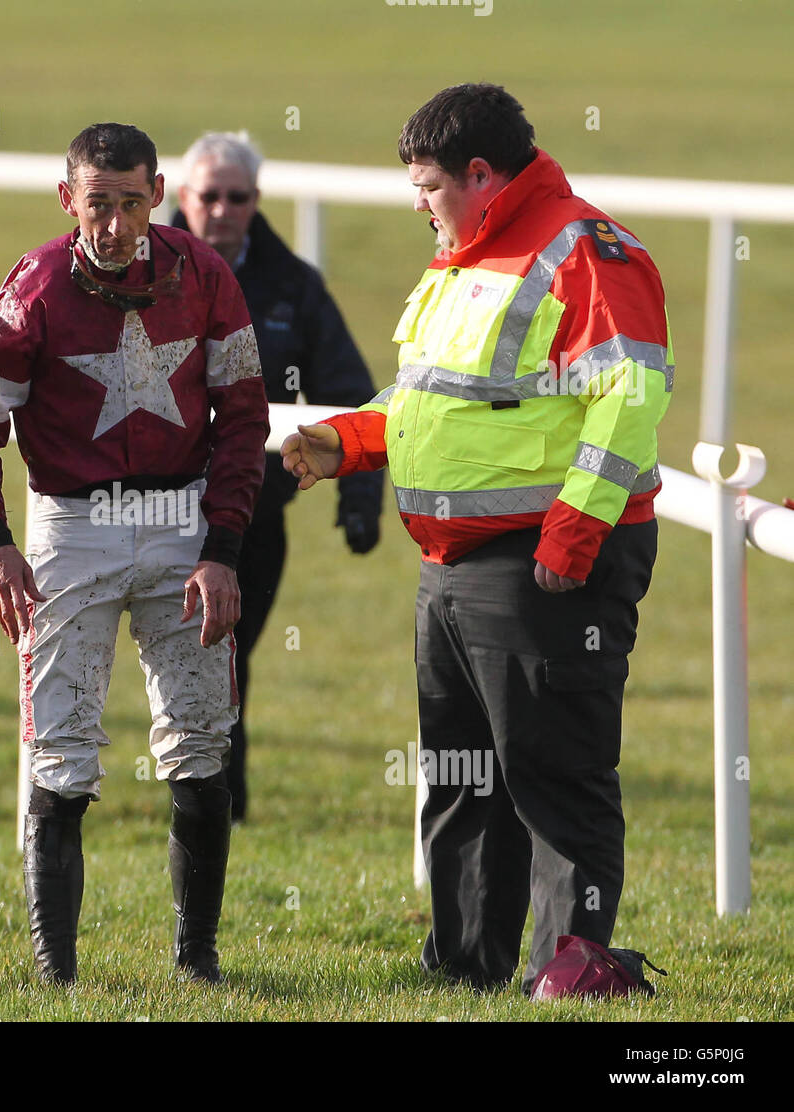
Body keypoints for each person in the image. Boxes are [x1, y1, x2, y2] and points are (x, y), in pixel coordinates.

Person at [283, 84, 672, 995]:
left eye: (428, 186)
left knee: (553, 775)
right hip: (451, 566)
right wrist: (346, 441)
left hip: (543, 559)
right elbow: (427, 403)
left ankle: (571, 969)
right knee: (462, 777)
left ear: (482, 174)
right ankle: (465, 969)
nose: (418, 203)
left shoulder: (584, 250)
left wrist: (571, 539)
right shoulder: (460, 258)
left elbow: (631, 397)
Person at [0, 123, 269, 984]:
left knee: (202, 745)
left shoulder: (206, 276)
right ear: (68, 200)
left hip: (182, 524)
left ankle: (198, 963)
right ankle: (57, 975)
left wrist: (224, 548)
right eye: (99, 203)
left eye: (131, 203)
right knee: (60, 752)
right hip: (68, 530)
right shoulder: (39, 284)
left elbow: (242, 420)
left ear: (157, 193)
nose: (116, 224)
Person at [174, 130, 383, 822]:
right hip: (143, 508)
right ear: (183, 197)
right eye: (210, 195)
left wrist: (360, 501)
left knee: (224, 657)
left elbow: (348, 392)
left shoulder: (295, 284)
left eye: (238, 197)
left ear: (256, 200)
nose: (224, 209)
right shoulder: (139, 269)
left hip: (249, 520)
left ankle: (219, 806)